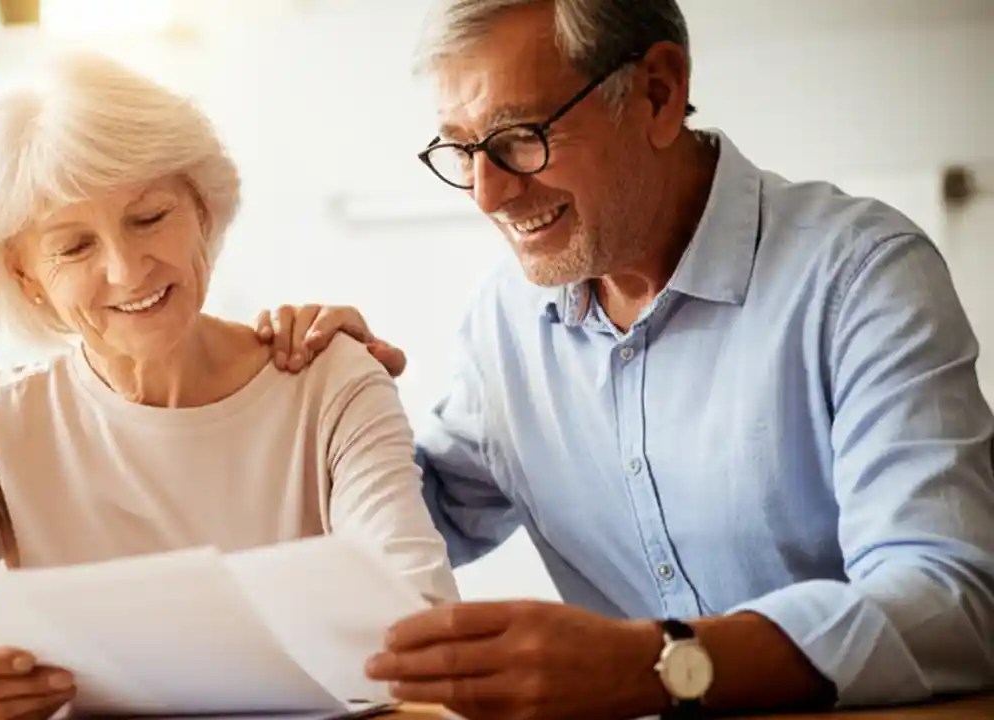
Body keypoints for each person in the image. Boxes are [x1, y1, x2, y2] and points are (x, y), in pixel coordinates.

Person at [259, 1, 994, 718]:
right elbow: (413, 525)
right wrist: (329, 400)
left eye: (520, 135)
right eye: (461, 149)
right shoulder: (505, 319)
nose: (487, 193)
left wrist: (657, 666)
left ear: (657, 93)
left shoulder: (860, 275)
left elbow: (949, 601)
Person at [0, 52, 457, 720]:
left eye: (149, 217)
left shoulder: (330, 381)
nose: (128, 269)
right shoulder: (1, 422)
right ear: (28, 281)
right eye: (74, 247)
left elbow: (422, 623)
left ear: (202, 210)